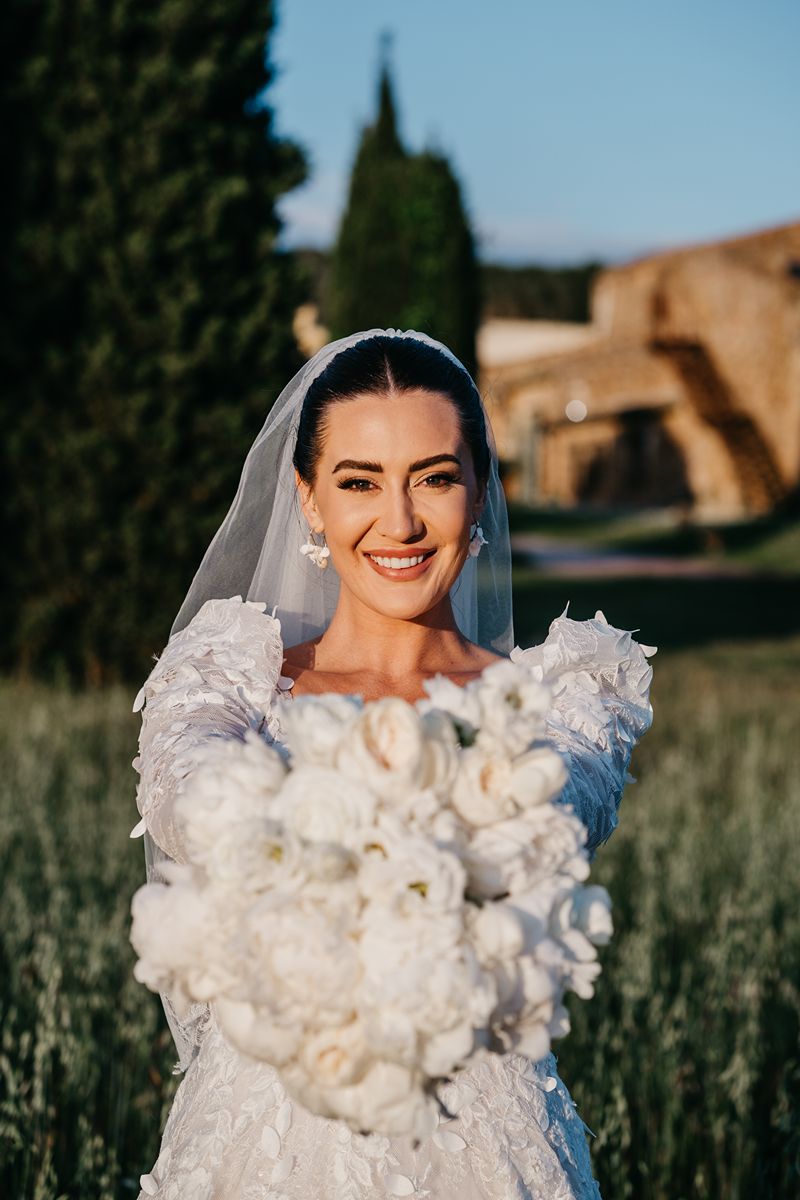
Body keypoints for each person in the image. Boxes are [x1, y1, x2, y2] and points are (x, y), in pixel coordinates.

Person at [132, 329, 655, 1199]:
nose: (401, 521)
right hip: (258, 1153)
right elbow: (198, 806)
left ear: (480, 489)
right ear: (308, 498)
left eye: (435, 478)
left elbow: (550, 812)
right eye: (359, 482)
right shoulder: (224, 686)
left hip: (486, 1151)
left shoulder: (564, 702)